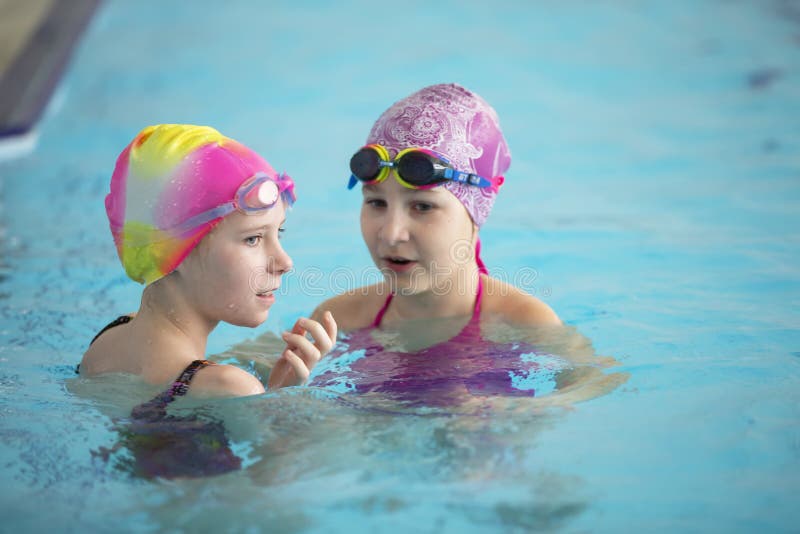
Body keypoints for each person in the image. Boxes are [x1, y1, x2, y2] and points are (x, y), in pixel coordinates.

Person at [309, 83, 624, 407]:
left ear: (476, 213)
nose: (391, 234)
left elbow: (599, 381)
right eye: (376, 203)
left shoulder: (525, 324)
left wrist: (510, 411)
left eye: (423, 206)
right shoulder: (338, 321)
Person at [80, 124, 337, 400]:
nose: (285, 262)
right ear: (172, 251)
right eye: (253, 239)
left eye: (279, 232)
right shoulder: (232, 387)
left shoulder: (112, 336)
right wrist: (279, 397)